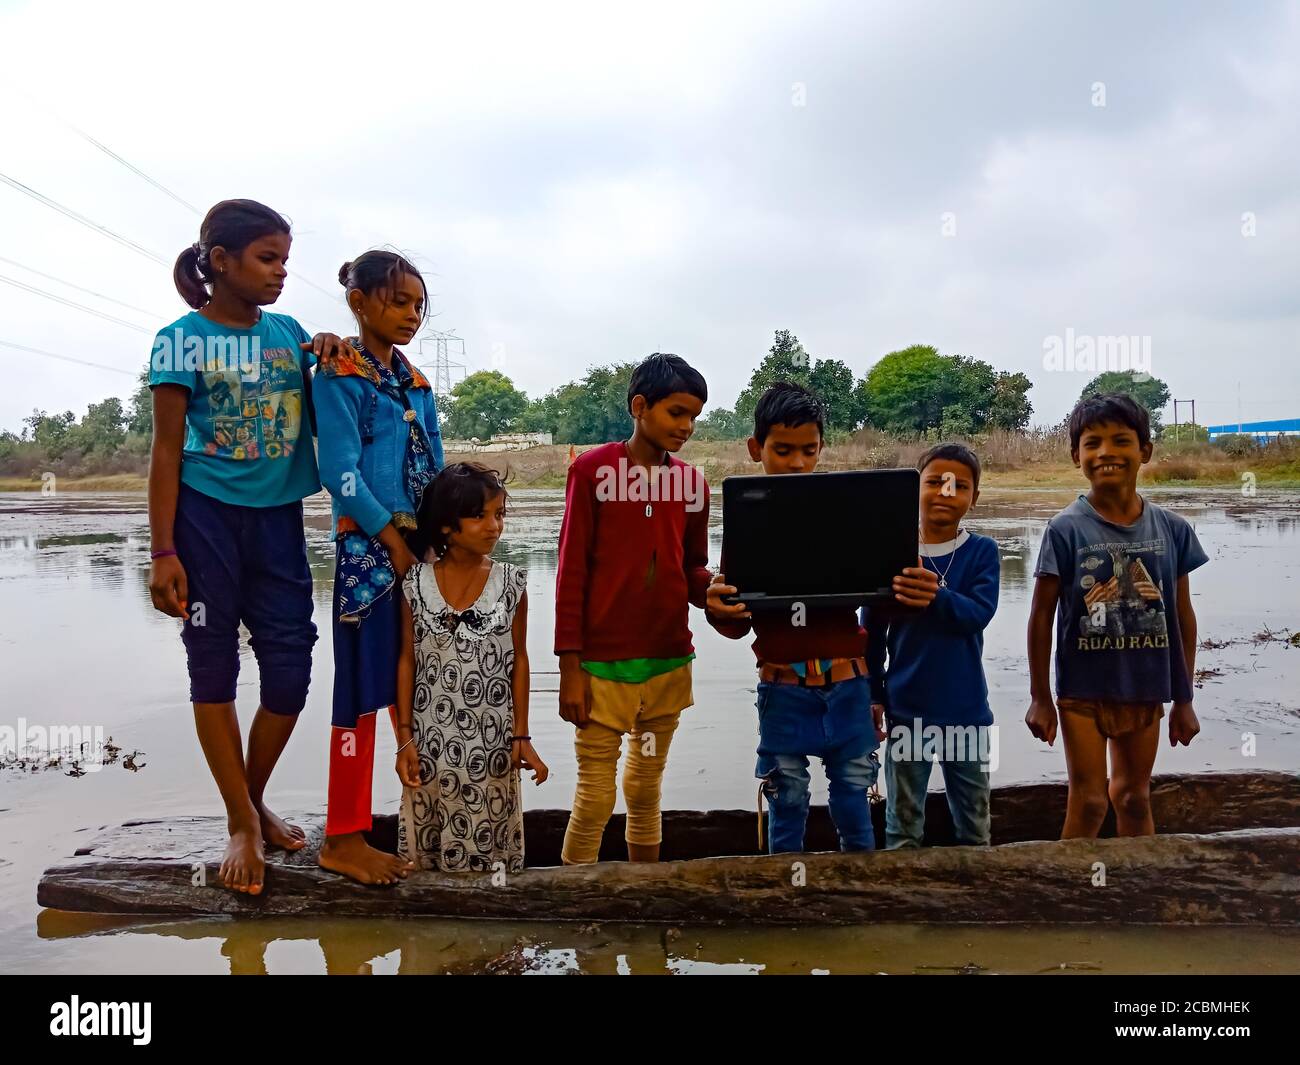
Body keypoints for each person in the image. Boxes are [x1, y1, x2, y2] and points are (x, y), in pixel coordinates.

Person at [147, 198, 347, 894]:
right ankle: (241, 819)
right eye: (268, 258)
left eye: (286, 260)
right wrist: (162, 551)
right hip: (204, 519)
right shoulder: (180, 339)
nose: (281, 273)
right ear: (221, 260)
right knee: (213, 665)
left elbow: (330, 394)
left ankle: (249, 796)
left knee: (290, 671)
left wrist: (327, 348)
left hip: (278, 521)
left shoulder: (289, 333)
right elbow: (166, 450)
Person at [707, 382, 937, 853]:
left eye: (808, 450)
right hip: (782, 689)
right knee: (786, 796)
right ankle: (785, 894)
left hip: (849, 685)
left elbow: (885, 602)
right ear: (756, 449)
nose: (796, 463)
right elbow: (736, 622)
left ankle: (860, 892)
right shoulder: (749, 523)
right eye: (783, 450)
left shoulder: (852, 514)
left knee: (854, 795)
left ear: (821, 449)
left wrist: (916, 591)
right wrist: (718, 605)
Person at [312, 251, 444, 884]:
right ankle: (343, 835)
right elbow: (339, 473)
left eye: (418, 305)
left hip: (420, 551)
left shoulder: (416, 384)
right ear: (358, 302)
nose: (411, 315)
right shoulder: (338, 372)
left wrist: (440, 539)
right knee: (360, 694)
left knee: (415, 688)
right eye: (398, 301)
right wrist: (392, 538)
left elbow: (437, 472)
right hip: (369, 551)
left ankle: (422, 821)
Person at [1026, 392, 1206, 838]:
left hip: (1146, 689)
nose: (1106, 452)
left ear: (1144, 451)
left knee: (1132, 797)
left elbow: (1182, 616)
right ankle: (1073, 897)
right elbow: (1040, 617)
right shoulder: (1065, 528)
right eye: (1093, 443)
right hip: (1082, 693)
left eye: (1121, 441)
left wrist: (1184, 699)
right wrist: (1040, 697)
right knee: (1088, 801)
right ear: (1076, 456)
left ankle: (1138, 898)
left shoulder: (1172, 529)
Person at [555, 353, 711, 865]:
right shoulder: (593, 470)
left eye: (695, 416)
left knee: (645, 789)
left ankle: (645, 897)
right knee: (596, 796)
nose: (687, 426)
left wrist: (718, 595)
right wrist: (569, 666)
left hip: (666, 658)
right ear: (639, 406)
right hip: (601, 664)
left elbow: (691, 568)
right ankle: (577, 906)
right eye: (677, 413)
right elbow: (570, 570)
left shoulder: (692, 484)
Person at [395, 463, 547, 872]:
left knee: (489, 850)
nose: (493, 526)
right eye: (479, 516)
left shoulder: (511, 583)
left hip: (492, 745)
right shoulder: (415, 584)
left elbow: (519, 661)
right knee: (428, 851)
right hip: (430, 745)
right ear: (446, 526)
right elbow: (407, 660)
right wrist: (404, 740)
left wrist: (522, 735)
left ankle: (494, 934)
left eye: (499, 515)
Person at [863, 443, 1000, 848]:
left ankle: (974, 898)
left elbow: (977, 614)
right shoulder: (893, 553)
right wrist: (873, 693)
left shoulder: (982, 552)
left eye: (959, 486)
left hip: (968, 712)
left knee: (975, 820)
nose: (945, 492)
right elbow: (870, 632)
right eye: (935, 482)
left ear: (973, 499)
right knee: (902, 823)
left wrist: (936, 595)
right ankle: (903, 900)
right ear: (914, 490)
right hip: (907, 710)